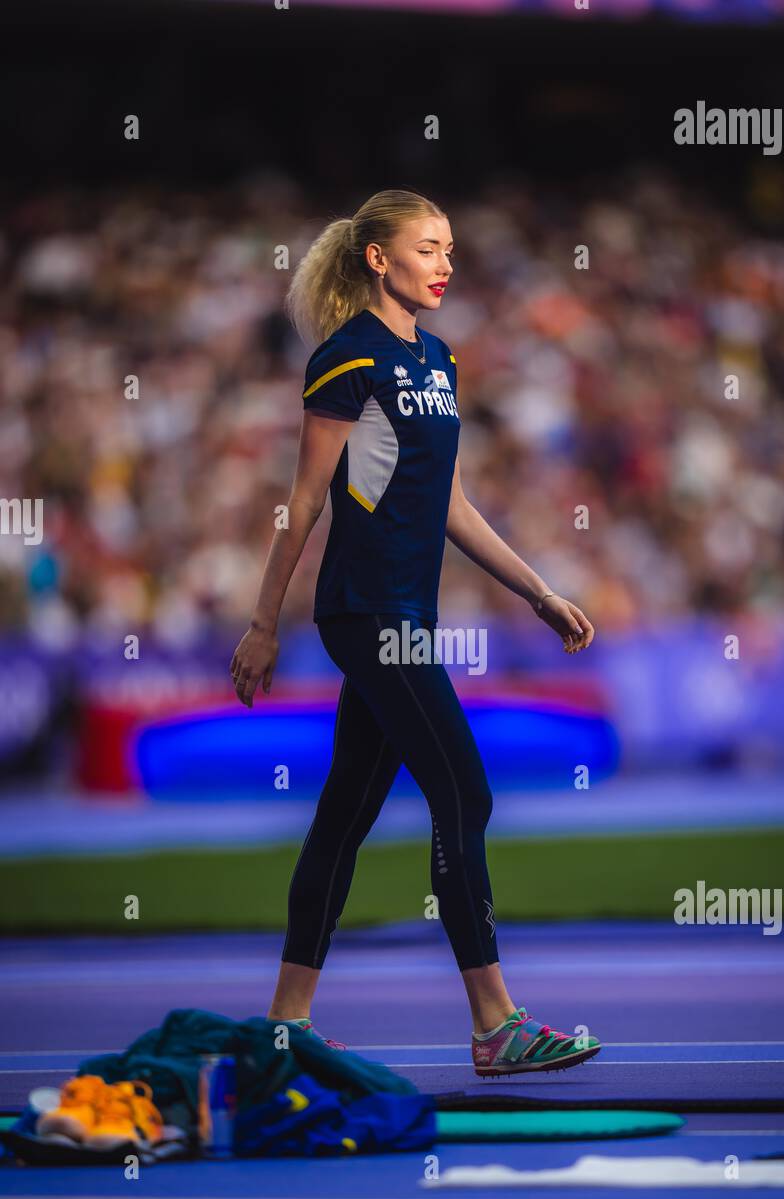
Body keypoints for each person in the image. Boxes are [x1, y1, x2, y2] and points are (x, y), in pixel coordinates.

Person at [230, 189, 600, 1076]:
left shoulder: (439, 360)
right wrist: (261, 625)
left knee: (345, 814)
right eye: (427, 248)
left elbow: (454, 506)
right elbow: (305, 499)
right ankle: (495, 1024)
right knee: (464, 795)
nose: (445, 264)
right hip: (367, 613)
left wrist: (540, 592)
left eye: (449, 248)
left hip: (409, 614)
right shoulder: (344, 358)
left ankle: (287, 1023)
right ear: (378, 260)